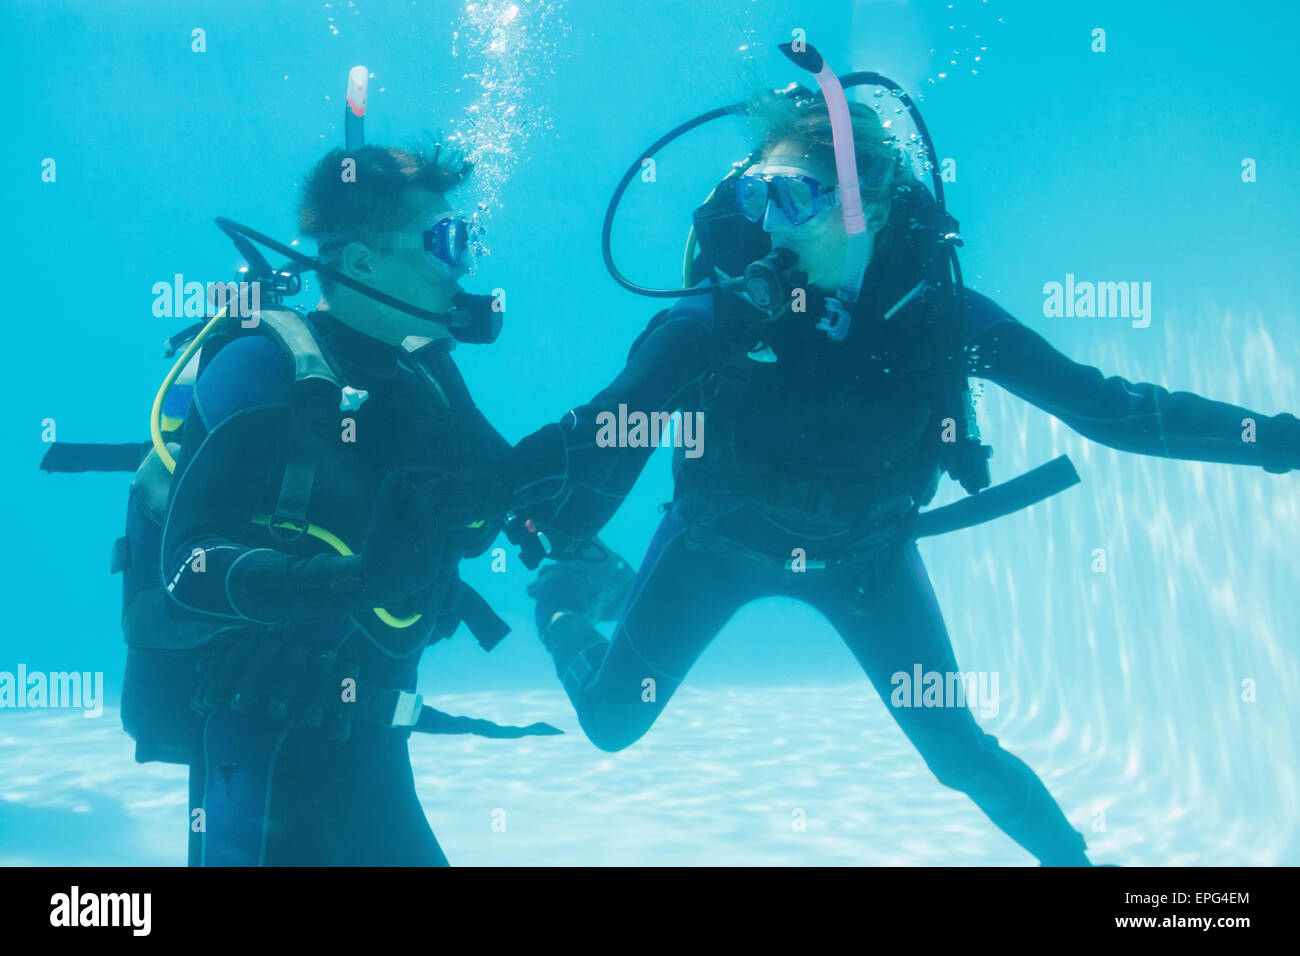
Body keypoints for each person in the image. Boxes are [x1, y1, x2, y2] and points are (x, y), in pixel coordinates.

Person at [487, 92, 1300, 867]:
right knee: (611, 722)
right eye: (759, 195)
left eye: (797, 198)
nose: (770, 224)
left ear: (867, 209)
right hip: (714, 543)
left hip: (867, 560)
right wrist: (506, 495)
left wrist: (1280, 441)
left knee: (960, 757)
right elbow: (604, 425)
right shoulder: (714, 315)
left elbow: (1111, 410)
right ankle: (567, 603)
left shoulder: (942, 317)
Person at [157, 142, 554, 866]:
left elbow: (501, 496)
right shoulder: (266, 366)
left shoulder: (426, 381)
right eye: (445, 243)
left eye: (467, 240)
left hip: (377, 747)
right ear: (364, 263)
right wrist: (355, 581)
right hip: (263, 749)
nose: (463, 266)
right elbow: (185, 568)